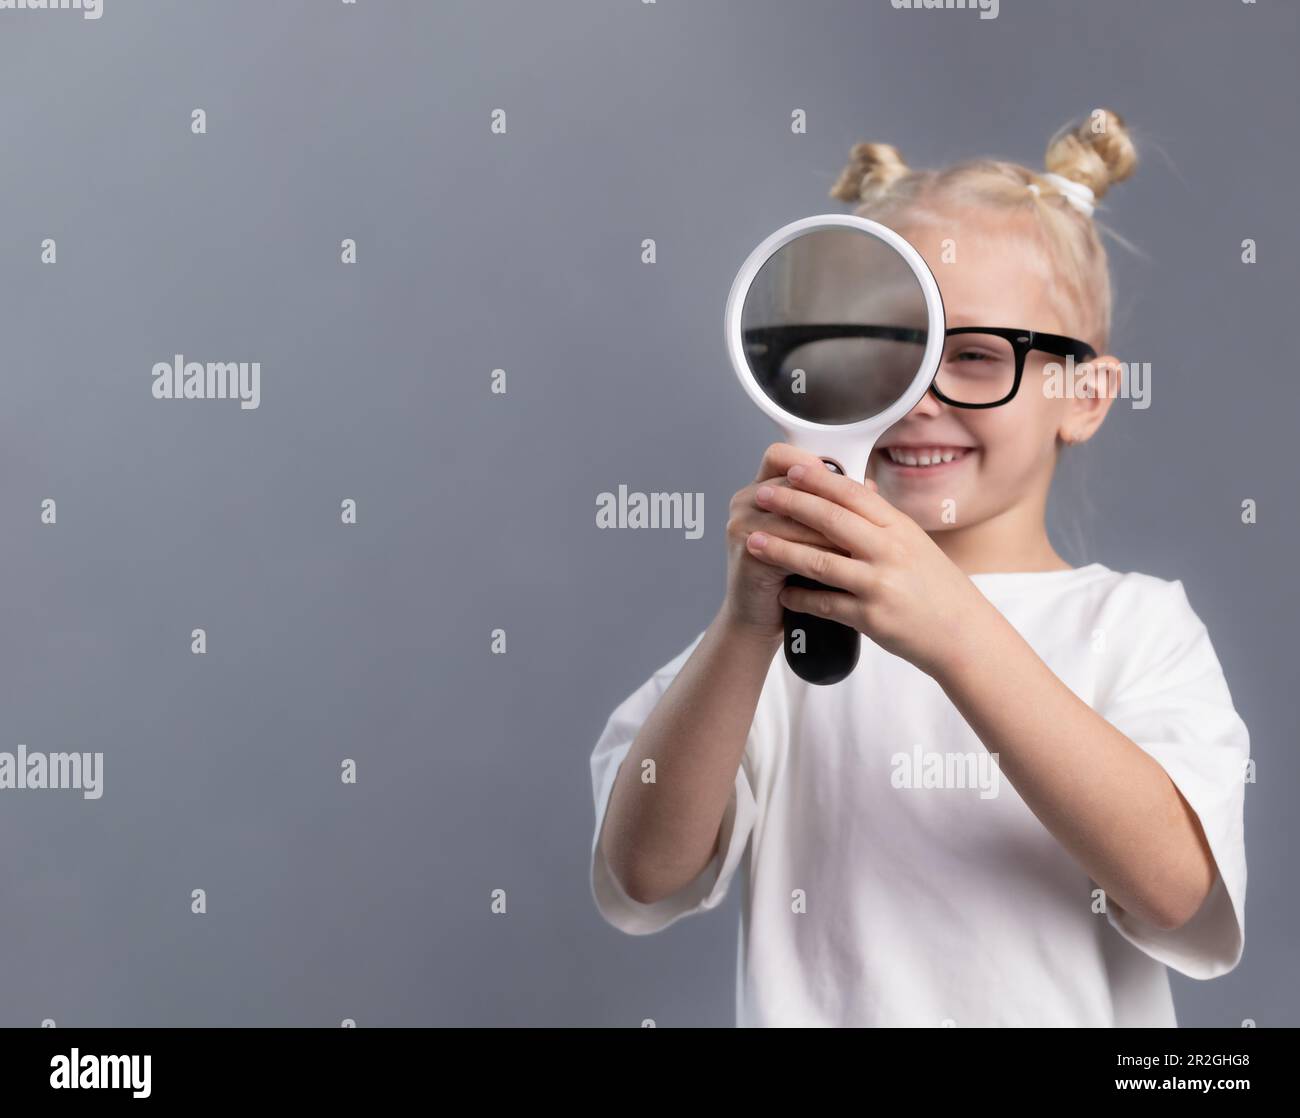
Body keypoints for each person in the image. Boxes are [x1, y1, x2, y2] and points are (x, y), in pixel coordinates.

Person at [586, 109, 1249, 1027]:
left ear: (1084, 396)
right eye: (888, 350)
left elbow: (1176, 888)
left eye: (976, 355)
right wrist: (743, 631)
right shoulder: (779, 636)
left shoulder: (1135, 628)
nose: (921, 398)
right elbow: (644, 873)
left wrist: (959, 635)